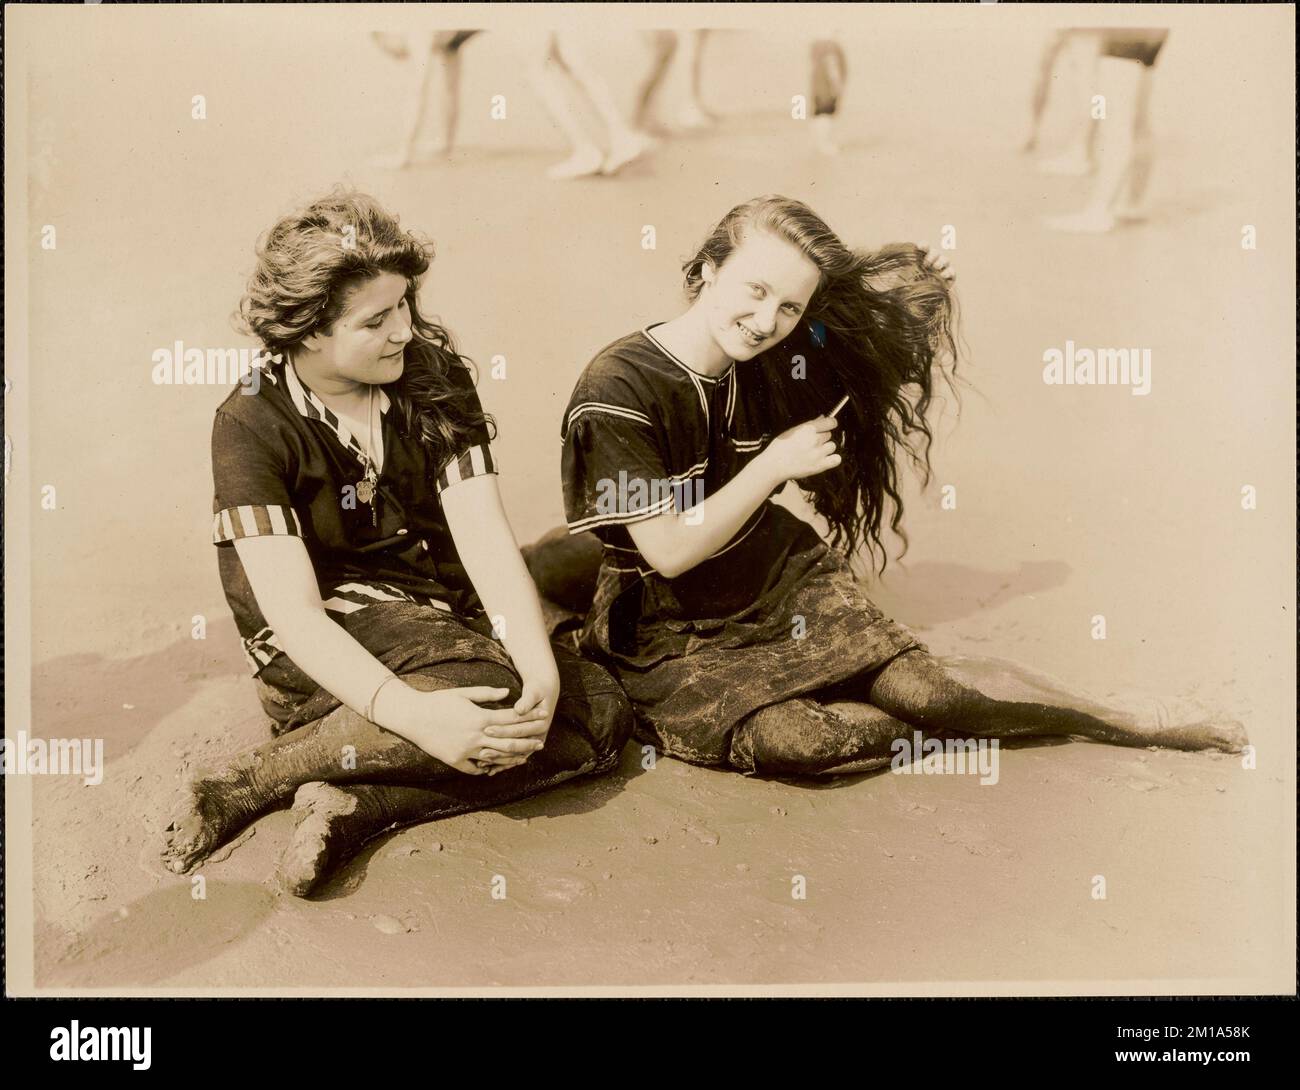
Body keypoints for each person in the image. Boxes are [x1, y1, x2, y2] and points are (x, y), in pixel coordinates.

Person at [559, 194, 1245, 777]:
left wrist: (914, 282)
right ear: (708, 270)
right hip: (665, 627)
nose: (767, 320)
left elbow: (861, 337)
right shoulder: (617, 388)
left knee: (935, 697)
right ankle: (889, 712)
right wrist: (773, 464)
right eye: (755, 290)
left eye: (789, 307)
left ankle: (1121, 716)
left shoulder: (770, 357)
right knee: (798, 745)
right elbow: (669, 553)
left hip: (770, 576)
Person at [161, 191, 631, 895]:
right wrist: (412, 712)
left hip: (441, 613)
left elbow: (482, 537)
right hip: (326, 643)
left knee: (597, 713)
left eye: (406, 305)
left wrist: (540, 663)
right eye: (376, 320)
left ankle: (362, 806)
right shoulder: (251, 424)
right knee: (492, 698)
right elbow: (293, 617)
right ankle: (258, 777)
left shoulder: (433, 380)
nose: (404, 331)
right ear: (308, 330)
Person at [371, 30, 482, 167]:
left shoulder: (416, 31)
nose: (395, 56)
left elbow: (418, 90)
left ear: (385, 36)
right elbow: (450, 89)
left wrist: (403, 154)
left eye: (386, 49)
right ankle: (445, 143)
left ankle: (403, 154)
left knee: (419, 87)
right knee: (450, 82)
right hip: (457, 32)